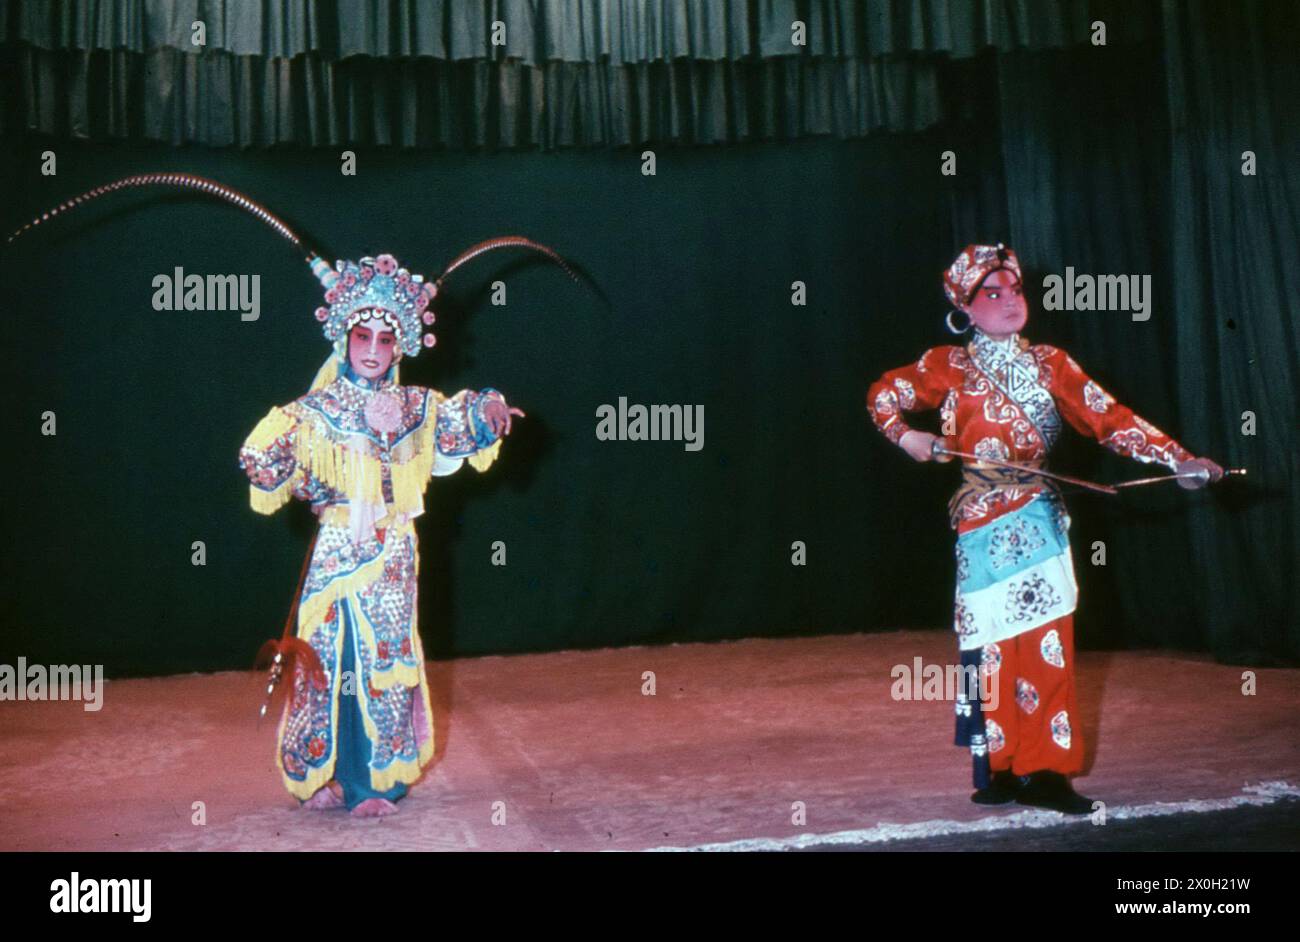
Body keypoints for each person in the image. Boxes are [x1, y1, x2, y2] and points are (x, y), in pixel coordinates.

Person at [866, 244, 1223, 814]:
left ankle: (1047, 771)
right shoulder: (947, 366)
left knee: (1045, 646)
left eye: (1015, 291)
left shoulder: (1050, 364)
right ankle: (1002, 768)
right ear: (966, 308)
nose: (1010, 302)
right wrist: (907, 436)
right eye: (993, 294)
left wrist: (1177, 459)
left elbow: (1110, 419)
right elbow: (883, 394)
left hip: (1035, 517)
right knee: (992, 650)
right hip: (978, 523)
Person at [239, 253, 523, 817]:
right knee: (324, 663)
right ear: (345, 339)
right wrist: (293, 473)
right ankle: (318, 773)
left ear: (400, 347)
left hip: (392, 554)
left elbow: (460, 420)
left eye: (385, 340)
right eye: (362, 336)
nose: (371, 349)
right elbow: (266, 461)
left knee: (383, 663)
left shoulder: (417, 407)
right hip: (336, 552)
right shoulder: (315, 410)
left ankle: (373, 783)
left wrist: (489, 410)